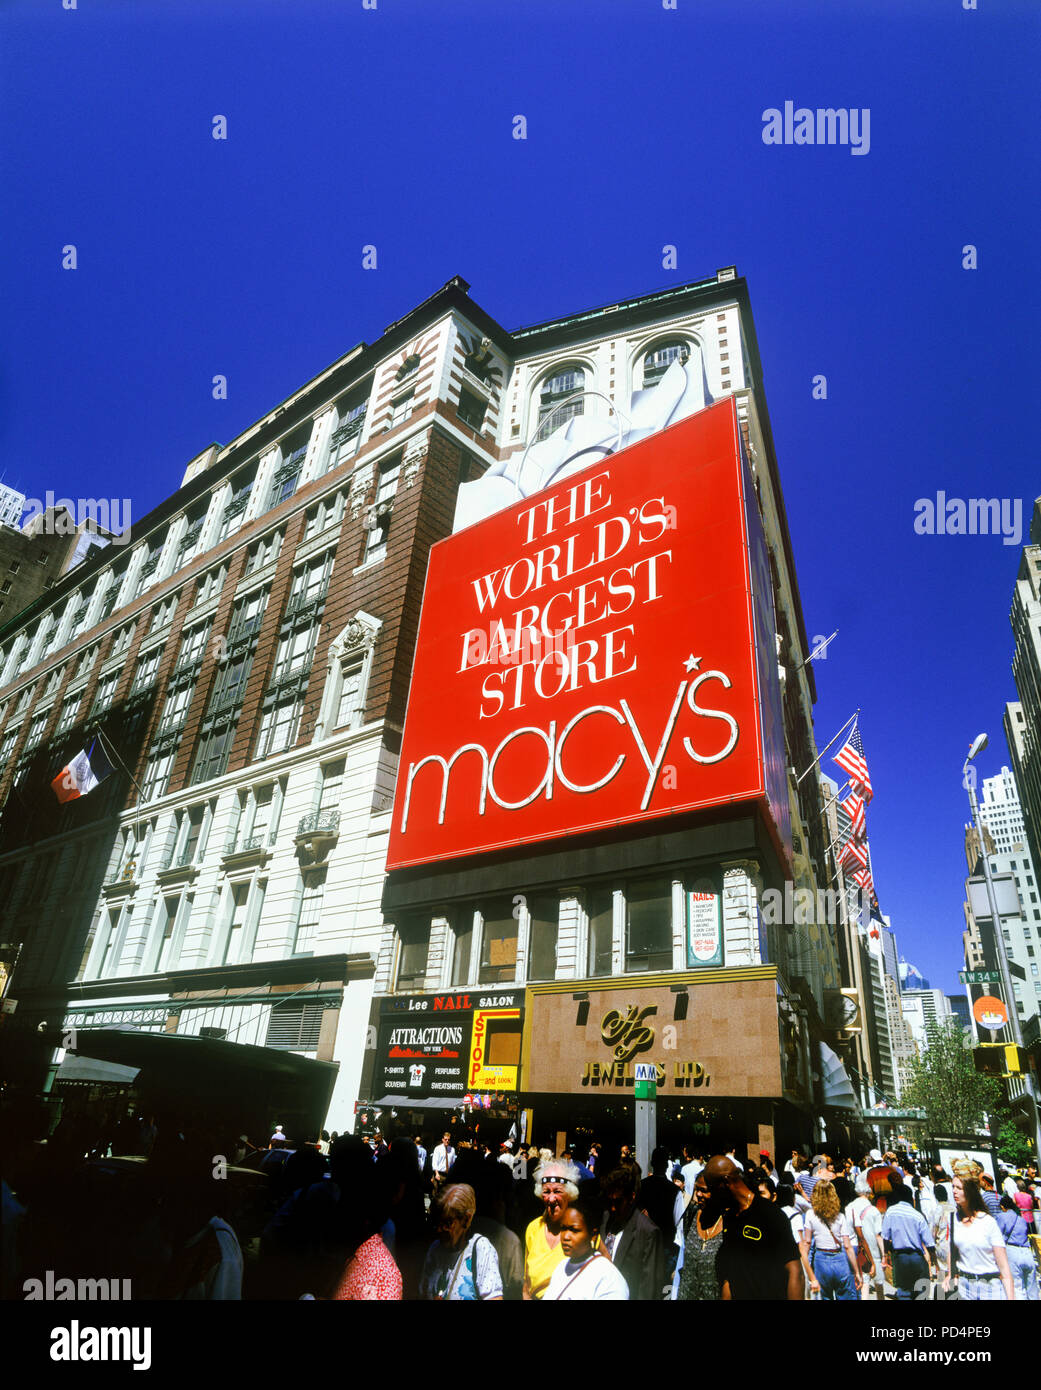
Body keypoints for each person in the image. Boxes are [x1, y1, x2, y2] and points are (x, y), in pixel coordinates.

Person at [702, 1155, 803, 1301]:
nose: (711, 1195)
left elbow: (795, 1272)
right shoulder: (730, 1217)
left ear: (725, 1182)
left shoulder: (770, 1213)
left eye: (713, 1188)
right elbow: (729, 1275)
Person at [420, 1184, 503, 1300]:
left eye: (447, 1223)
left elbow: (494, 1298)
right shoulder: (435, 1250)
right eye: (437, 1222)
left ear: (466, 1219)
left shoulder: (481, 1249)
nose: (440, 1229)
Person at [599, 1165, 667, 1301]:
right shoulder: (605, 1220)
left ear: (631, 1197)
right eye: (609, 1201)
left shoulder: (648, 1232)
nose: (612, 1208)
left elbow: (649, 1289)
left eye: (618, 1202)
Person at [543, 1195, 629, 1300]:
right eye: (563, 1228)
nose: (565, 1237)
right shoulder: (561, 1268)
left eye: (574, 1230)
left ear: (593, 1235)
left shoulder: (608, 1277)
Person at [947, 1173, 1013, 1302]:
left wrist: (1011, 1297)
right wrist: (950, 1275)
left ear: (970, 1191)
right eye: (953, 1187)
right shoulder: (953, 1219)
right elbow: (951, 1250)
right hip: (964, 1286)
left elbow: (1004, 1268)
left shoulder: (988, 1222)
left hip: (989, 1287)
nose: (954, 1191)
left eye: (959, 1188)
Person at [523, 1158, 577, 1299]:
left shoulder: (582, 1230)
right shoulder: (533, 1228)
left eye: (557, 1191)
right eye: (546, 1191)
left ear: (570, 1193)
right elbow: (526, 1286)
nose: (551, 1199)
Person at [801, 1179, 861, 1300]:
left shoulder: (810, 1215)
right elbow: (848, 1246)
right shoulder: (840, 1216)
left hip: (820, 1260)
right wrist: (856, 1272)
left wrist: (806, 1269)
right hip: (840, 1259)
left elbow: (807, 1243)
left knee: (824, 1296)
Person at [880, 1183, 934, 1301]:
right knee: (921, 1293)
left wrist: (885, 1255)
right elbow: (930, 1243)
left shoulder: (890, 1212)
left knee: (904, 1292)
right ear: (911, 1198)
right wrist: (932, 1261)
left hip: (900, 1258)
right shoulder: (917, 1215)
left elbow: (885, 1236)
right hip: (917, 1257)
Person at [677, 1171, 723, 1301]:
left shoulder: (729, 1225)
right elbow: (681, 1260)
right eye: (697, 1189)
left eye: (704, 1190)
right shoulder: (691, 1215)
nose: (697, 1194)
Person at [996, 1195, 1039, 1300]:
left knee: (1018, 1288)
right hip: (1027, 1252)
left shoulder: (1001, 1217)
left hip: (1012, 1251)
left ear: (1002, 1206)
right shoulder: (1021, 1219)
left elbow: (998, 1236)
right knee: (1032, 1288)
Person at [930, 1183, 956, 1297]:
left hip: (941, 1244)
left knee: (941, 1273)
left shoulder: (937, 1209)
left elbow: (933, 1230)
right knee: (952, 1273)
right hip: (954, 1244)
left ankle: (941, 1296)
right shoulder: (954, 1208)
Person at [430, 1132, 455, 1196]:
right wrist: (436, 1173)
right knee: (436, 1194)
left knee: (445, 1195)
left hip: (447, 1176)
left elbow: (452, 1163)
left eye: (448, 1139)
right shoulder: (438, 1149)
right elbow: (434, 1162)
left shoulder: (452, 1150)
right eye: (445, 1139)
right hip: (439, 1174)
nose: (447, 1141)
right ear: (442, 1139)